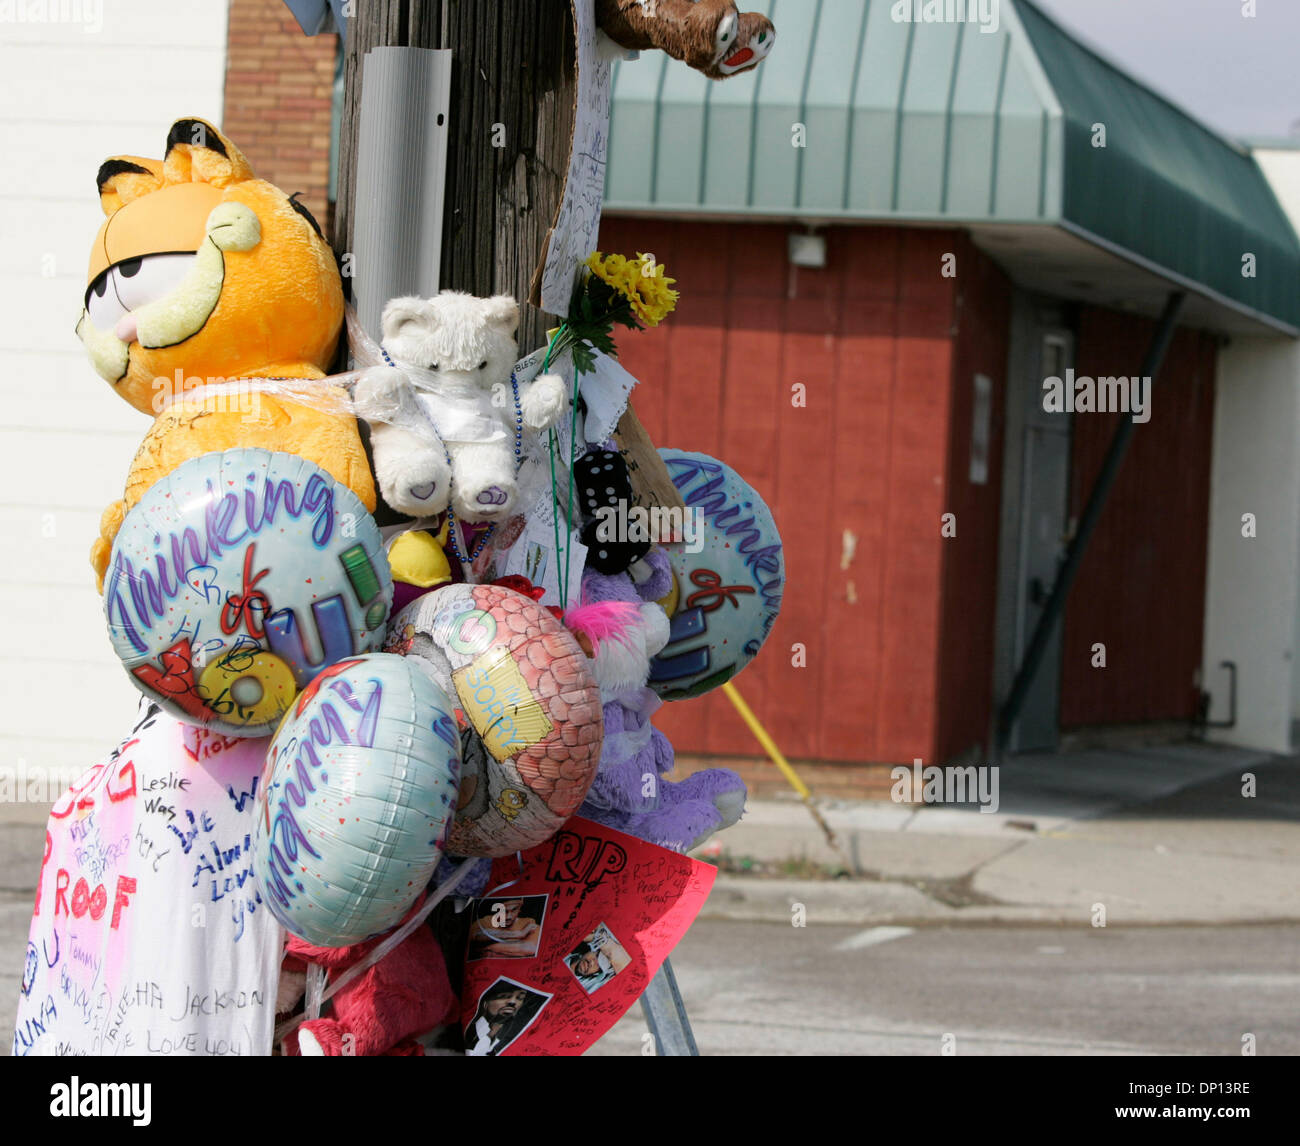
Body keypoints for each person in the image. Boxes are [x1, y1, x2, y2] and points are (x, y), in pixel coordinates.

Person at [464, 983, 533, 1056]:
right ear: (485, 1004)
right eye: (503, 996)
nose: (512, 1002)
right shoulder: (468, 1032)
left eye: (520, 998)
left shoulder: (511, 1035)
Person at [467, 896, 542, 959]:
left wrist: (486, 947)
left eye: (514, 910)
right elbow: (476, 936)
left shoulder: (528, 922)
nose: (508, 917)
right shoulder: (484, 922)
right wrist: (518, 934)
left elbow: (530, 948)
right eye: (503, 911)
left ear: (520, 908)